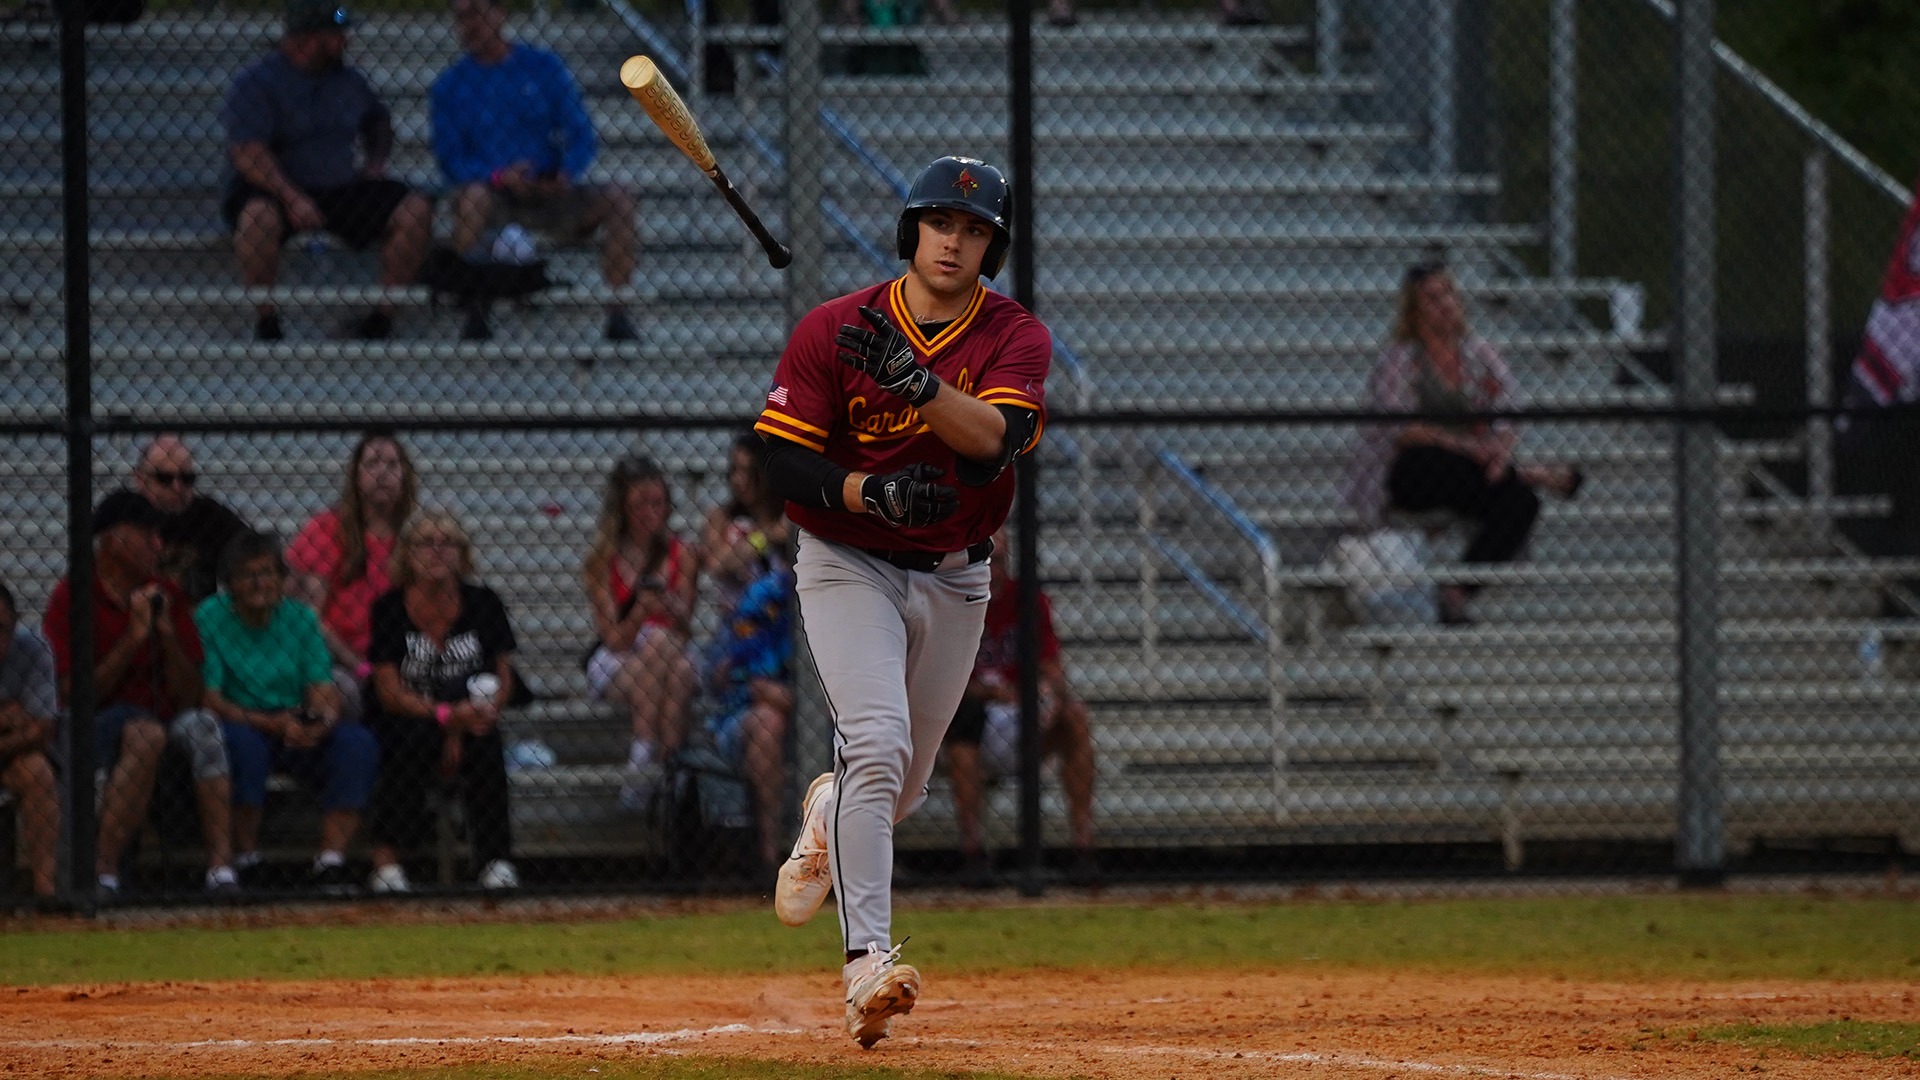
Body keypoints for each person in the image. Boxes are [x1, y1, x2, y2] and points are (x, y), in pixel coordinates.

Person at [755, 155, 1051, 1048]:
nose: (954, 242)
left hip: (958, 573)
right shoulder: (832, 327)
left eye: (974, 231)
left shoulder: (1014, 335)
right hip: (849, 563)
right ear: (911, 233)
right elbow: (778, 460)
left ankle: (825, 812)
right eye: (940, 225)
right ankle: (866, 968)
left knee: (901, 784)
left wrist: (918, 385)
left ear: (991, 248)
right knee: (877, 744)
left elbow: (992, 445)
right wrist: (865, 494)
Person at [1343, 261, 1582, 625]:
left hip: (1468, 474)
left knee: (1521, 502)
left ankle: (1456, 593)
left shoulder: (1477, 352)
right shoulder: (1401, 358)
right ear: (1415, 309)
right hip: (1412, 470)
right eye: (1433, 298)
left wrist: (1500, 450)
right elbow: (1401, 428)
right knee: (1431, 458)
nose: (1445, 304)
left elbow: (1510, 405)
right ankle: (1530, 473)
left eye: (1449, 294)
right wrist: (1471, 448)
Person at [43, 491, 239, 899]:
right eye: (146, 534)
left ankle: (221, 868)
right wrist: (132, 640)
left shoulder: (167, 594)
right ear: (113, 540)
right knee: (145, 735)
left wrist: (166, 634)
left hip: (164, 713)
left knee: (204, 728)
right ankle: (103, 872)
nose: (158, 545)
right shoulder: (72, 597)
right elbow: (71, 695)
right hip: (101, 720)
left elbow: (191, 695)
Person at [220, 0, 433, 342]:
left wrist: (375, 164)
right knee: (257, 217)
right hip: (276, 188)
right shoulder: (257, 82)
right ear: (307, 38)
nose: (345, 41)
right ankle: (267, 321)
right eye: (336, 35)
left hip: (339, 186)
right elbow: (248, 153)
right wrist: (291, 197)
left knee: (416, 209)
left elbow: (377, 121)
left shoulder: (347, 80)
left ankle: (381, 318)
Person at [430, 0, 639, 343]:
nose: (471, 25)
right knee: (471, 199)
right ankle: (474, 309)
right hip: (494, 195)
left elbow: (581, 133)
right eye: (462, 17)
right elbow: (450, 161)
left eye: (478, 14)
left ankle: (618, 311)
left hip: (549, 192)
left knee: (620, 198)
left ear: (500, 13)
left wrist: (564, 173)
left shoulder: (542, 67)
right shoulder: (450, 86)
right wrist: (498, 177)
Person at [196, 530, 381, 893]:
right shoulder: (210, 617)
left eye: (268, 573)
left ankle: (330, 862)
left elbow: (322, 687)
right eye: (248, 575)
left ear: (283, 579)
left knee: (356, 744)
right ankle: (246, 857)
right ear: (229, 583)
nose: (260, 583)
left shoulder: (300, 618)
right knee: (242, 748)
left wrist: (320, 722)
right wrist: (271, 723)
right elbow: (211, 698)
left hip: (292, 719)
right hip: (241, 718)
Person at [364, 510, 520, 893]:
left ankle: (495, 860)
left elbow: (504, 675)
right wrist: (445, 717)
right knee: (408, 740)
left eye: (447, 543)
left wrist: (487, 710)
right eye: (425, 543)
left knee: (486, 741)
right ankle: (388, 862)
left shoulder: (484, 603)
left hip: (470, 712)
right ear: (407, 555)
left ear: (462, 555)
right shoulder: (388, 607)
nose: (437, 551)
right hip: (409, 714)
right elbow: (388, 691)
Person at [942, 528, 1096, 886]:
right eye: (982, 562)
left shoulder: (1029, 601)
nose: (991, 571)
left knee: (1076, 716)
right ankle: (973, 852)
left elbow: (1052, 665)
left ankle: (1084, 847)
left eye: (997, 561)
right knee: (961, 726)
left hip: (1025, 717)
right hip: (975, 718)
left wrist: (1054, 694)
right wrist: (996, 694)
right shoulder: (951, 604)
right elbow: (945, 682)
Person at [581, 455, 699, 812]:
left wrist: (670, 605)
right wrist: (642, 612)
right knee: (658, 648)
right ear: (622, 509)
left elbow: (685, 625)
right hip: (617, 658)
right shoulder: (603, 558)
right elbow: (614, 638)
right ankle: (667, 771)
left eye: (658, 504)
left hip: (669, 652)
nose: (650, 513)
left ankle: (645, 764)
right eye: (639, 506)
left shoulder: (684, 553)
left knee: (672, 660)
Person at [287, 429, 418, 724]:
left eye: (391, 464)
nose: (382, 473)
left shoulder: (415, 538)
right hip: (336, 662)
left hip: (399, 660)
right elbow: (309, 617)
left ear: (405, 476)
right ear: (356, 477)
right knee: (348, 692)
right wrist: (358, 666)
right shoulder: (327, 530)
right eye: (372, 464)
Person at [703, 561, 795, 871]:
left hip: (822, 717)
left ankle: (858, 857)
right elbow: (756, 686)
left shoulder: (842, 595)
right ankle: (771, 858)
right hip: (744, 717)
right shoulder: (764, 596)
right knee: (768, 721)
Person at [132, 434, 252, 605]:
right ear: (140, 480)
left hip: (199, 618)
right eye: (164, 479)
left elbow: (253, 550)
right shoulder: (126, 517)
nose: (177, 487)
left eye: (187, 479)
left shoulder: (209, 514)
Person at [0, 581, 60, 908]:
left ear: (15, 622)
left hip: (13, 755)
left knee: (38, 772)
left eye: (1, 629)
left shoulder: (34, 649)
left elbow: (40, 729)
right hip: (12, 743)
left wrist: (22, 724)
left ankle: (44, 891)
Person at [701, 431, 795, 619]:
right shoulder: (722, 517)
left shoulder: (788, 516)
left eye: (747, 472)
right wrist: (763, 538)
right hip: (741, 625)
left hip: (784, 622)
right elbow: (717, 564)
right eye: (734, 470)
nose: (738, 480)